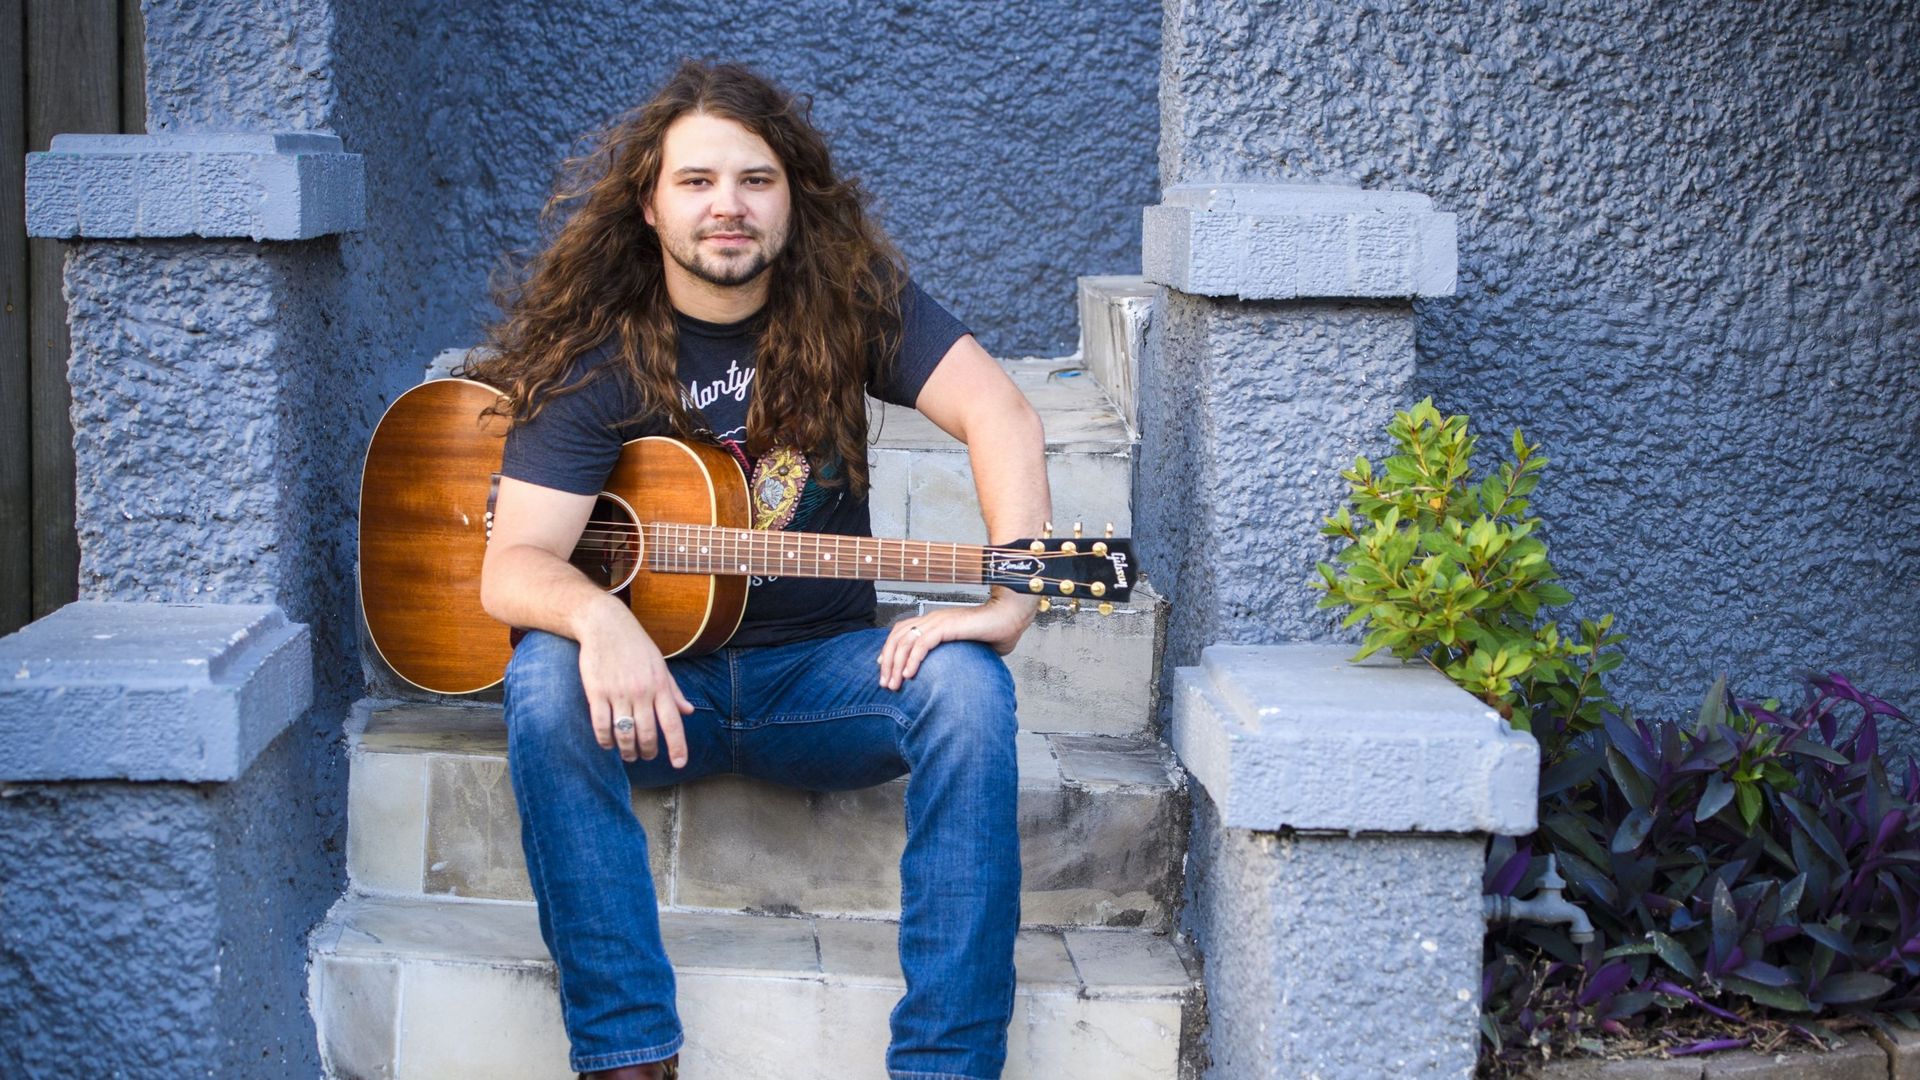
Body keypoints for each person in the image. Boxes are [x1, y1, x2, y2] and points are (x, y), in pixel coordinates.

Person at [468, 59, 1049, 1080]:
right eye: (696, 182)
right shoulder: (601, 354)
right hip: (658, 698)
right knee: (541, 675)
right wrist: (604, 624)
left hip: (822, 680)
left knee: (969, 690)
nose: (726, 207)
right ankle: (628, 1053)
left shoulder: (851, 305)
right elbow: (512, 565)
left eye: (755, 179)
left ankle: (946, 1065)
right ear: (649, 205)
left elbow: (999, 410)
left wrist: (1013, 597)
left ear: (794, 198)